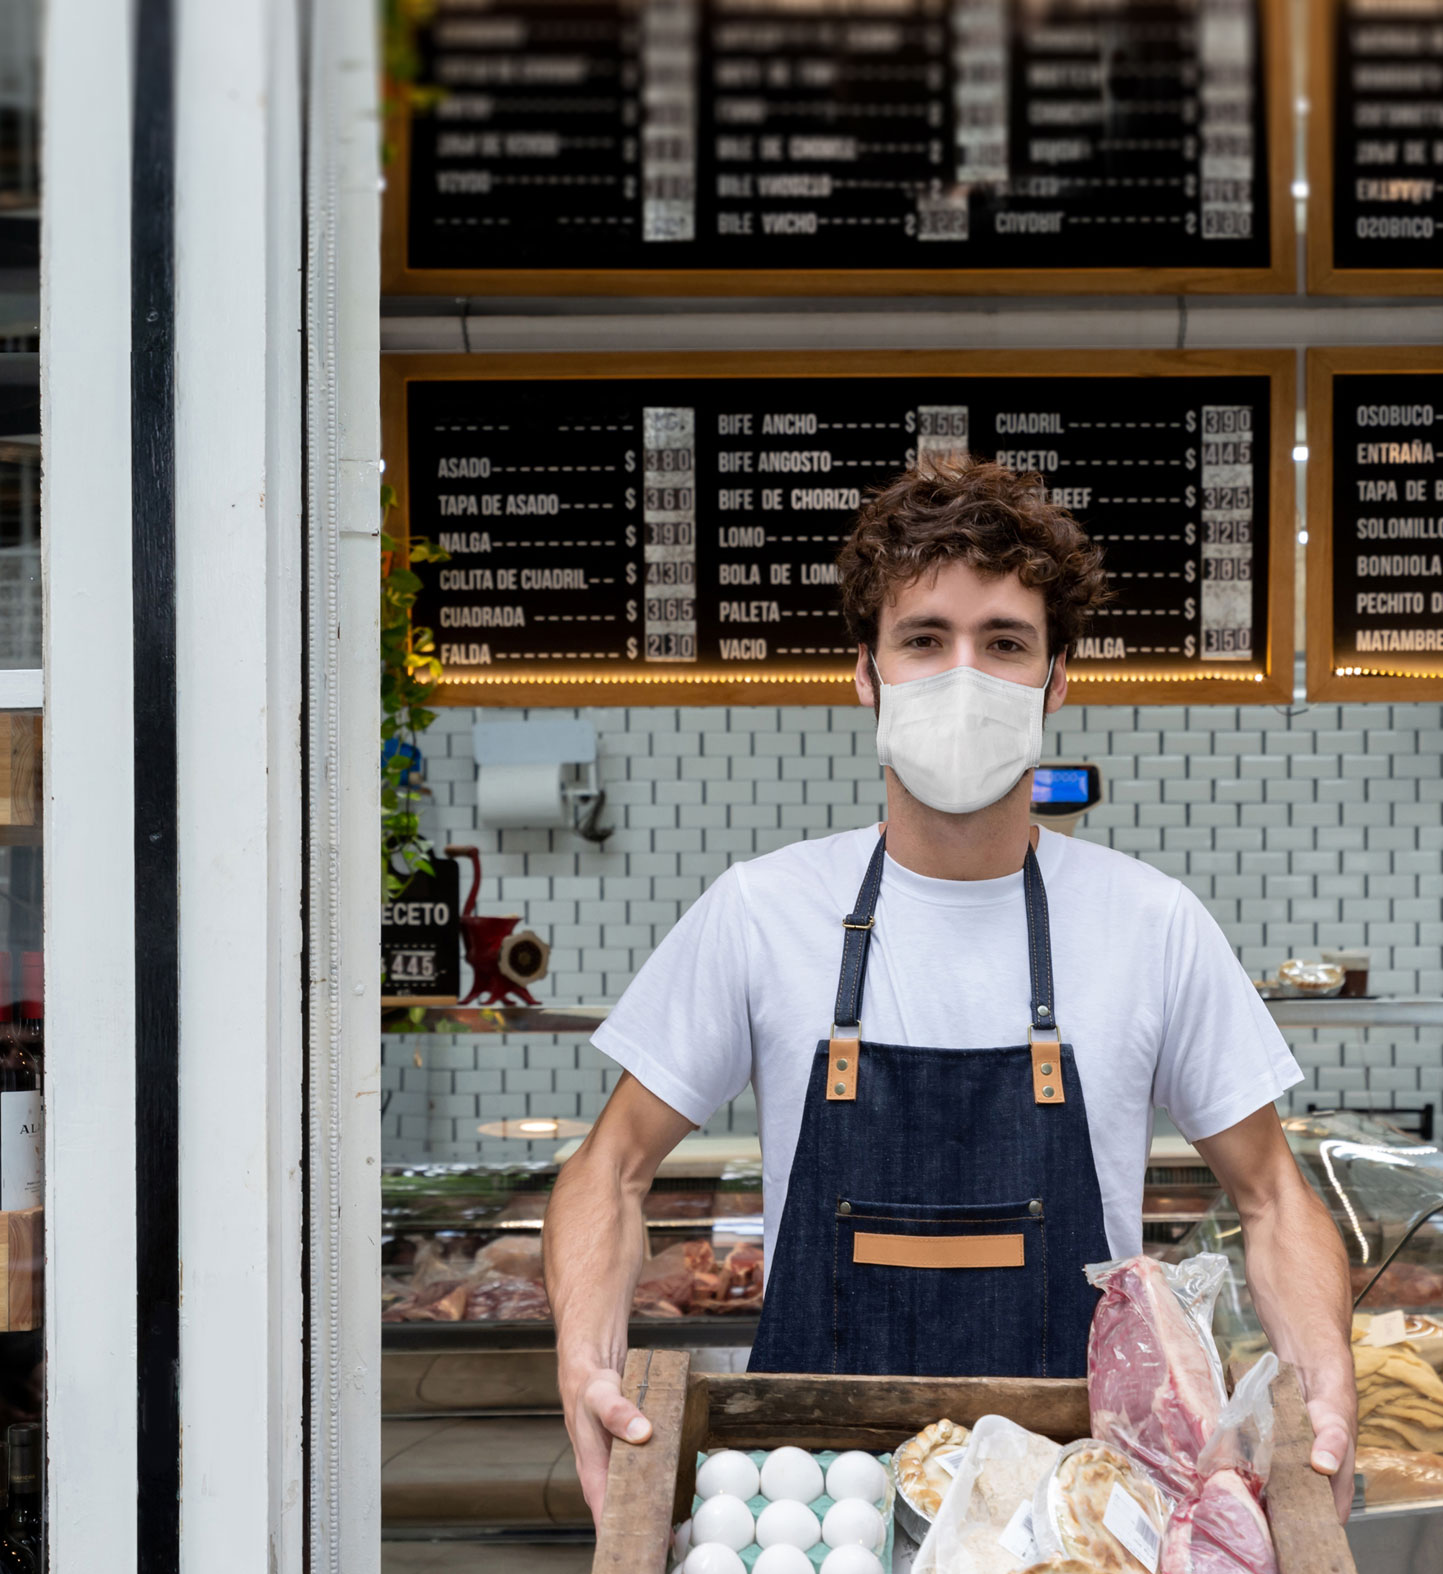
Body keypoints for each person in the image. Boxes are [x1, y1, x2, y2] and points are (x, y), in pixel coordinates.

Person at [546, 457, 1357, 1516]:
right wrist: (585, 1357)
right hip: (810, 1511)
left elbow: (1274, 1197)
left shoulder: (1149, 922)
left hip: (1081, 1508)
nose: (962, 675)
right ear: (866, 672)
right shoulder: (762, 909)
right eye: (925, 639)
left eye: (1005, 644)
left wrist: (1325, 1375)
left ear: (1057, 681)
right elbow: (609, 1171)